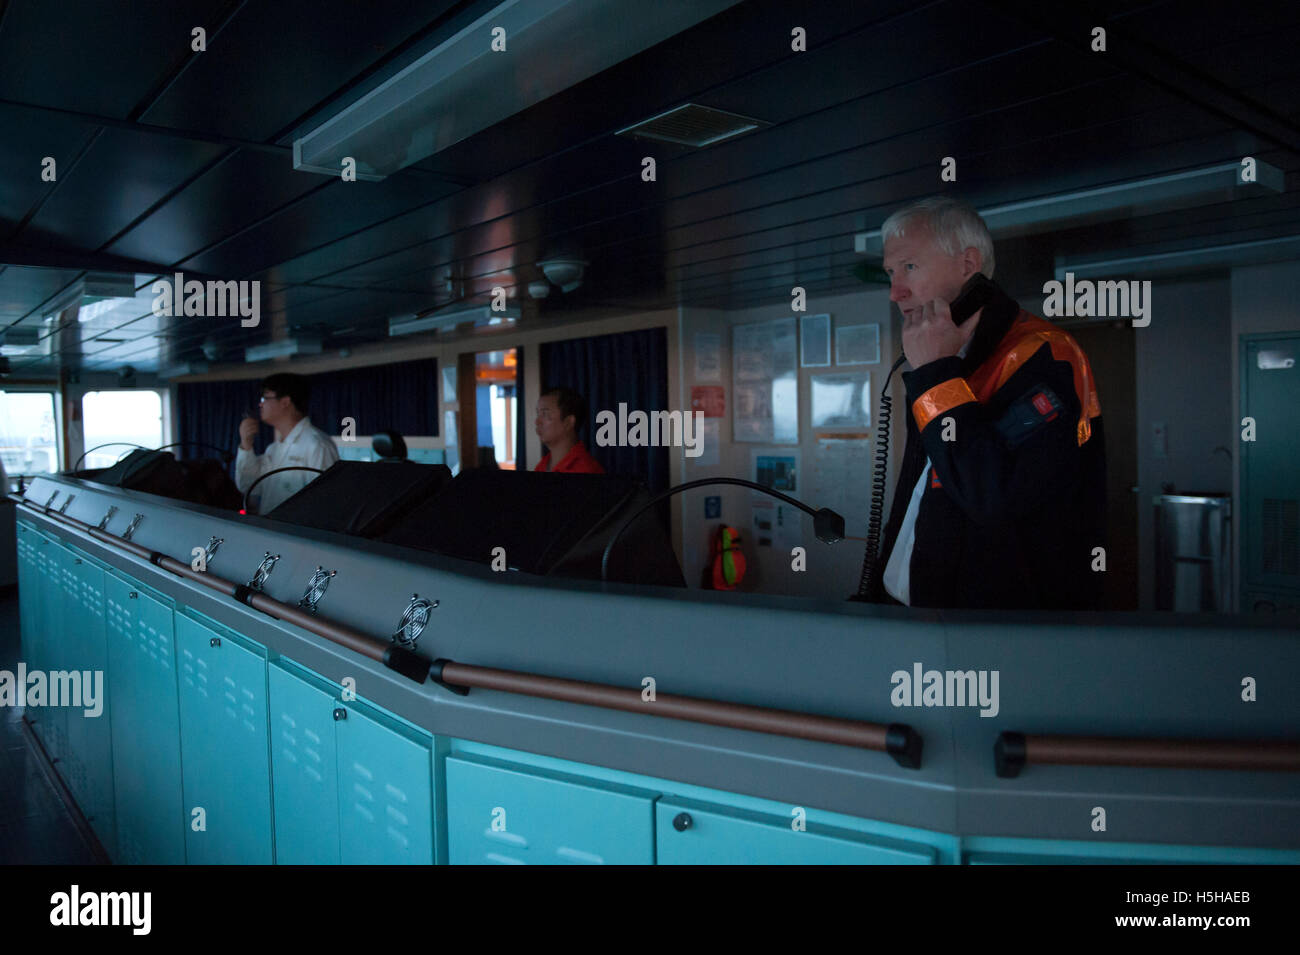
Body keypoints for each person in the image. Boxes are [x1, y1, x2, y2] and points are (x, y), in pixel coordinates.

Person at [869, 196, 1105, 610]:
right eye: (890, 272)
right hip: (912, 611)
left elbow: (992, 495)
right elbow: (920, 487)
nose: (895, 291)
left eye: (909, 267)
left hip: (996, 630)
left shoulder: (1043, 355)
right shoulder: (943, 357)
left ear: (967, 264)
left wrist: (937, 374)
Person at [235, 373, 339, 513]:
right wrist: (246, 445)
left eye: (265, 398)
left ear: (285, 402)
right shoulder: (273, 449)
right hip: (269, 528)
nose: (260, 404)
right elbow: (248, 486)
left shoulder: (317, 445)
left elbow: (324, 502)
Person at [533, 387, 604, 474]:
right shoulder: (541, 466)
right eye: (538, 414)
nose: (537, 422)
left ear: (568, 422)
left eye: (545, 414)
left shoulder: (587, 469)